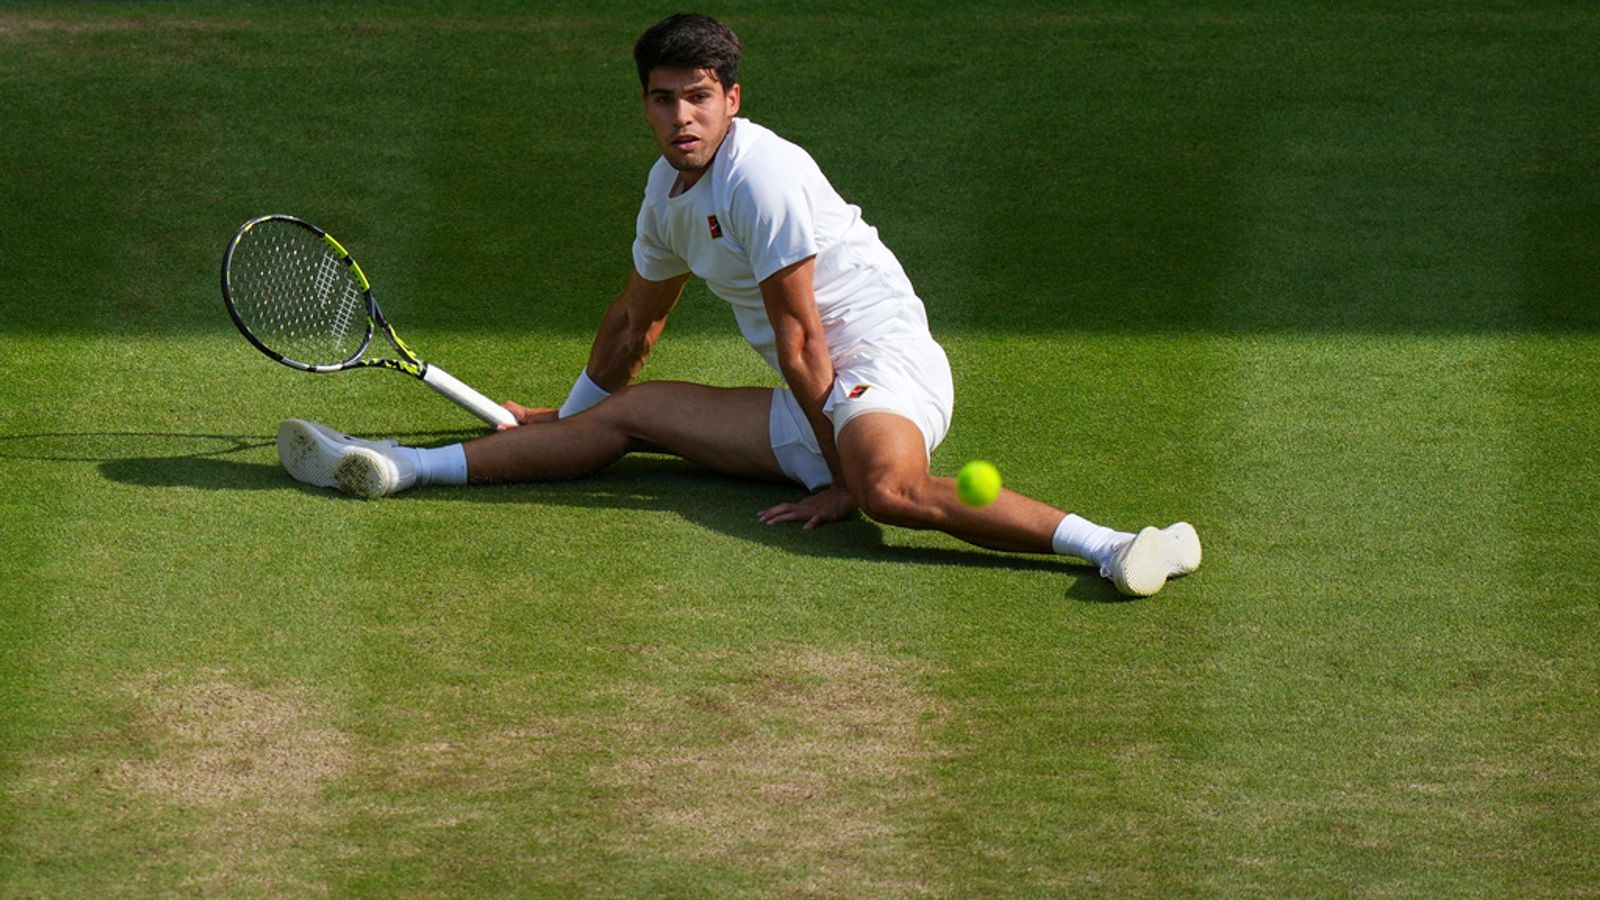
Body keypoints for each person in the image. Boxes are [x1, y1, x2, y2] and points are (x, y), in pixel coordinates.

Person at [277, 13, 1202, 597]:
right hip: (815, 402)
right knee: (630, 416)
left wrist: (840, 473)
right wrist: (577, 416)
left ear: (730, 100)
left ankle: (1117, 546)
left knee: (886, 494)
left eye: (699, 98)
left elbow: (803, 342)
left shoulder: (762, 174)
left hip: (877, 368)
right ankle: (398, 465)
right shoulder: (665, 194)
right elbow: (634, 328)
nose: (681, 116)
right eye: (662, 99)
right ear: (644, 106)